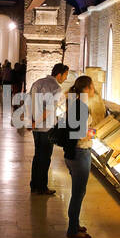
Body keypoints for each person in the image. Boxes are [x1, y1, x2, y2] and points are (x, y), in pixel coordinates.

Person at [60, 74, 97, 238]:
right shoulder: (81, 106)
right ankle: (72, 229)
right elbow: (79, 133)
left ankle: (74, 224)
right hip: (80, 153)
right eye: (92, 86)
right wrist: (92, 133)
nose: (94, 89)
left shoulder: (74, 104)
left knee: (77, 192)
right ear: (87, 88)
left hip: (72, 153)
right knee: (78, 193)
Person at [27, 63, 69, 196]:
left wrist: (31, 121)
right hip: (46, 127)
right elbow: (49, 109)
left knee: (37, 156)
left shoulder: (37, 83)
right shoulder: (56, 87)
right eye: (65, 75)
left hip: (36, 127)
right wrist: (36, 123)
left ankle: (34, 185)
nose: (66, 78)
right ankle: (42, 187)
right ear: (59, 74)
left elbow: (29, 102)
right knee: (45, 158)